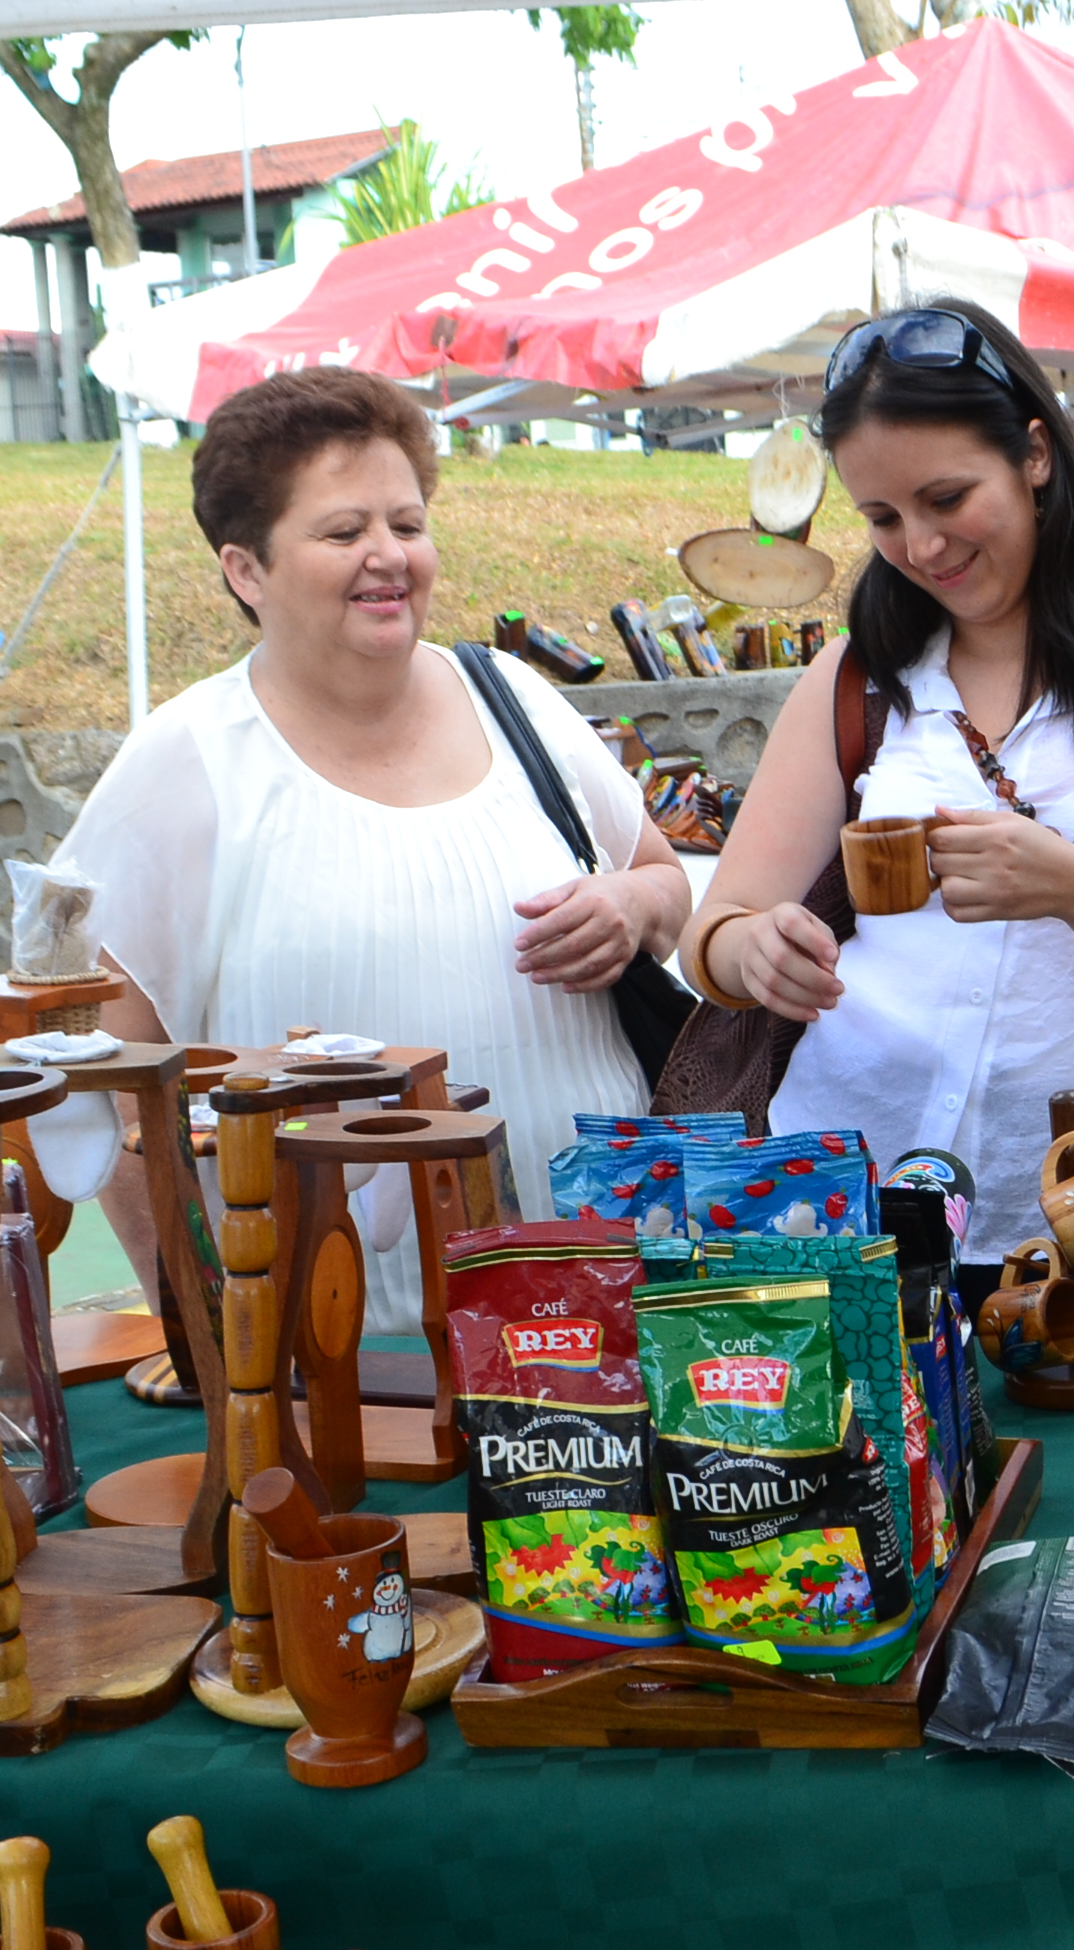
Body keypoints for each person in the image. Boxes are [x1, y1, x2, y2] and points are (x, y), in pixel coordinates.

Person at [62, 366, 689, 1329]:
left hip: (615, 1310)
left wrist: (633, 909)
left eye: (408, 523)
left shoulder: (513, 699)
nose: (389, 556)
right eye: (343, 531)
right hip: (347, 1365)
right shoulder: (185, 766)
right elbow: (104, 1089)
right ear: (246, 570)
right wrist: (204, 1332)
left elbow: (660, 876)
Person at [677, 298, 1074, 1267]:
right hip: (856, 1228)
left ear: (1035, 455)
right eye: (882, 517)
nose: (920, 546)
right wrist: (754, 951)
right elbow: (706, 934)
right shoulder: (857, 680)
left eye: (948, 499)